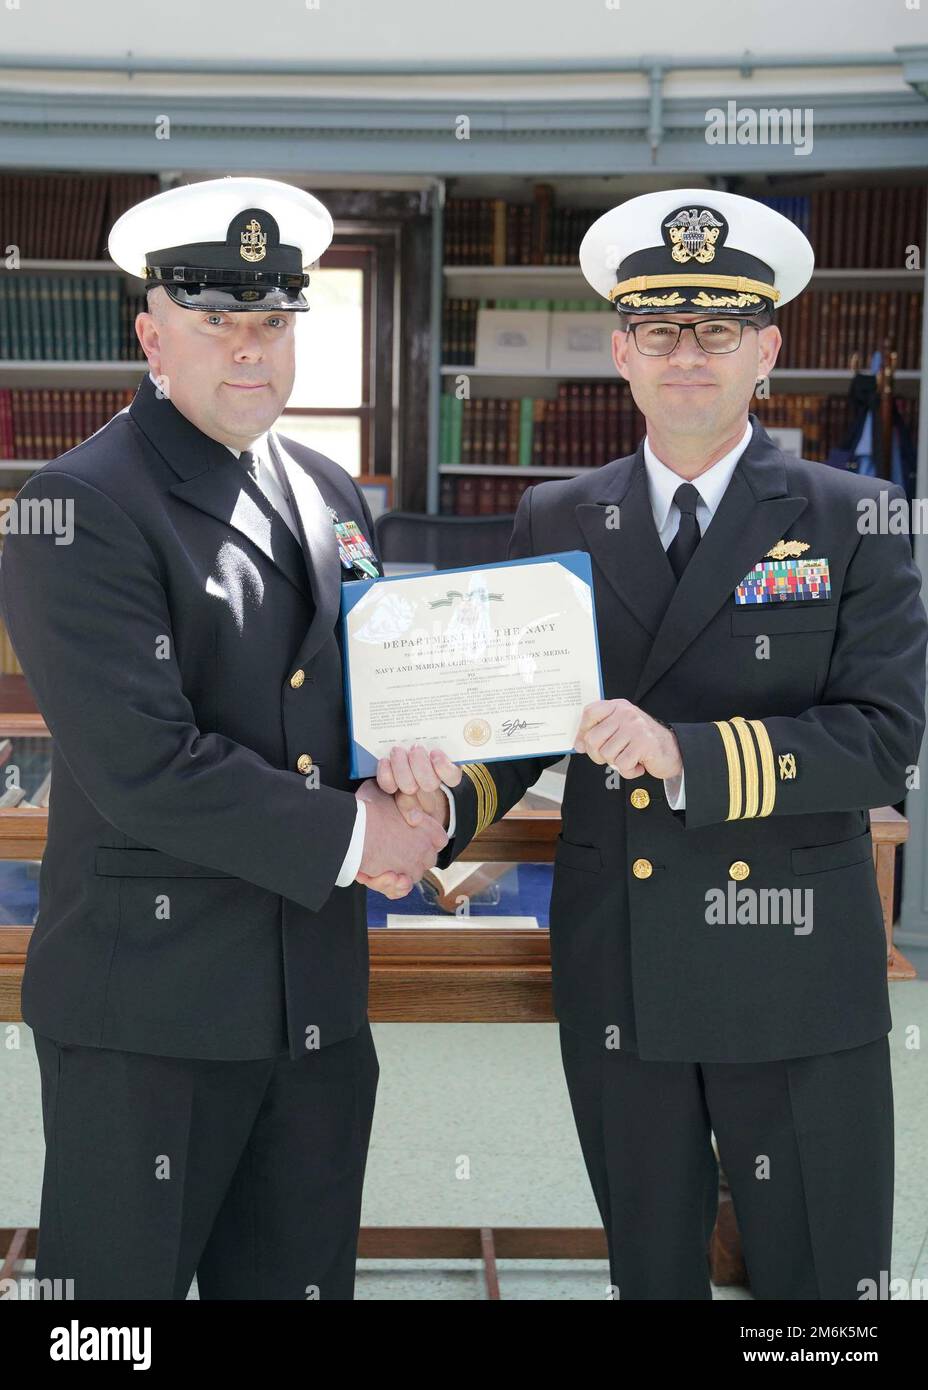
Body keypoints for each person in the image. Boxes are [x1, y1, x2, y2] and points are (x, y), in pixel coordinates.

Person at [376, 188, 928, 1299]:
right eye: (661, 331)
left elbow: (881, 742)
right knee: (652, 1270)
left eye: (717, 329)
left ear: (764, 350)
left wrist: (687, 752)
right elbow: (524, 729)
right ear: (621, 351)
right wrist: (442, 797)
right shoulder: (556, 514)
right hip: (621, 955)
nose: (689, 355)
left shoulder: (850, 516)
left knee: (820, 1278)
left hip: (789, 958)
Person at [0, 176, 455, 1300]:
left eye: (272, 321)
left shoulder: (328, 488)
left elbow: (375, 688)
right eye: (217, 321)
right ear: (154, 335)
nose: (250, 350)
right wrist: (362, 838)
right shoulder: (82, 504)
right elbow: (145, 767)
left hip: (312, 1002)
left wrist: (423, 783)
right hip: (149, 1012)